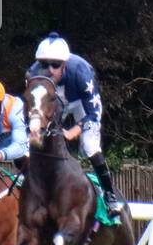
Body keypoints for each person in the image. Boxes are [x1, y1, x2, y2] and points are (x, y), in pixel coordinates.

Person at [25, 32, 122, 216]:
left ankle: (110, 196)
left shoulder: (81, 72)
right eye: (45, 64)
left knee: (89, 146)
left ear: (65, 64)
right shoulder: (33, 72)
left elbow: (94, 113)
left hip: (79, 101)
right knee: (35, 135)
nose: (50, 70)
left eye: (55, 65)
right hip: (52, 98)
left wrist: (72, 132)